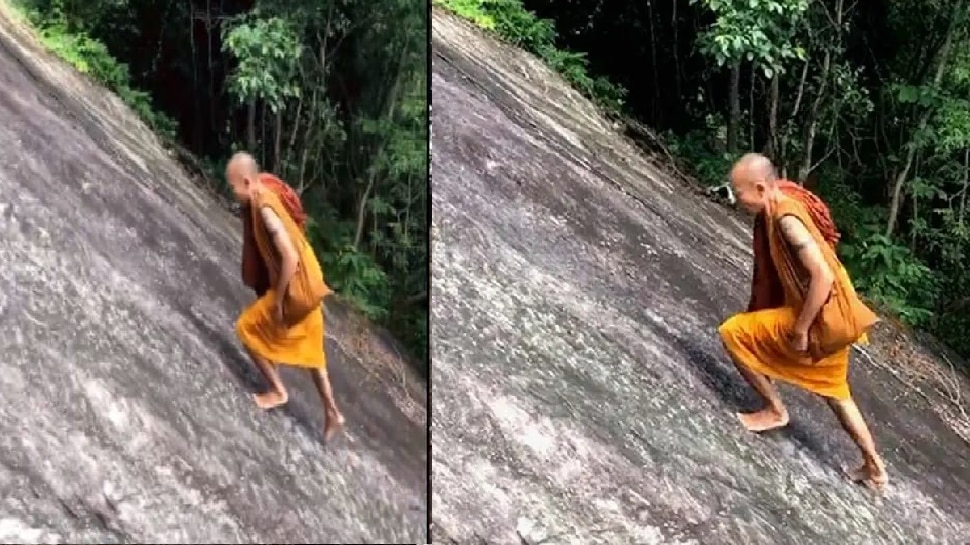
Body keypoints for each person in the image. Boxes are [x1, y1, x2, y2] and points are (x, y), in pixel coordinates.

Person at [717, 153, 887, 490]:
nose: (737, 199)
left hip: (821, 316)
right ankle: (875, 466)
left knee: (734, 333)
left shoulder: (785, 218)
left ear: (762, 187)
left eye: (741, 192)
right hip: (839, 316)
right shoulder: (786, 196)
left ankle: (775, 409)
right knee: (837, 393)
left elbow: (821, 276)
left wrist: (800, 328)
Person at [226, 152, 345, 441]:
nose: (233, 194)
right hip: (310, 283)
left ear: (246, 181)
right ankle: (332, 412)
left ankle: (278, 391)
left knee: (247, 328)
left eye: (234, 188)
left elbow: (289, 257)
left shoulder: (264, 209)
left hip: (295, 287)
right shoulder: (264, 187)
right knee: (313, 351)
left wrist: (277, 301)